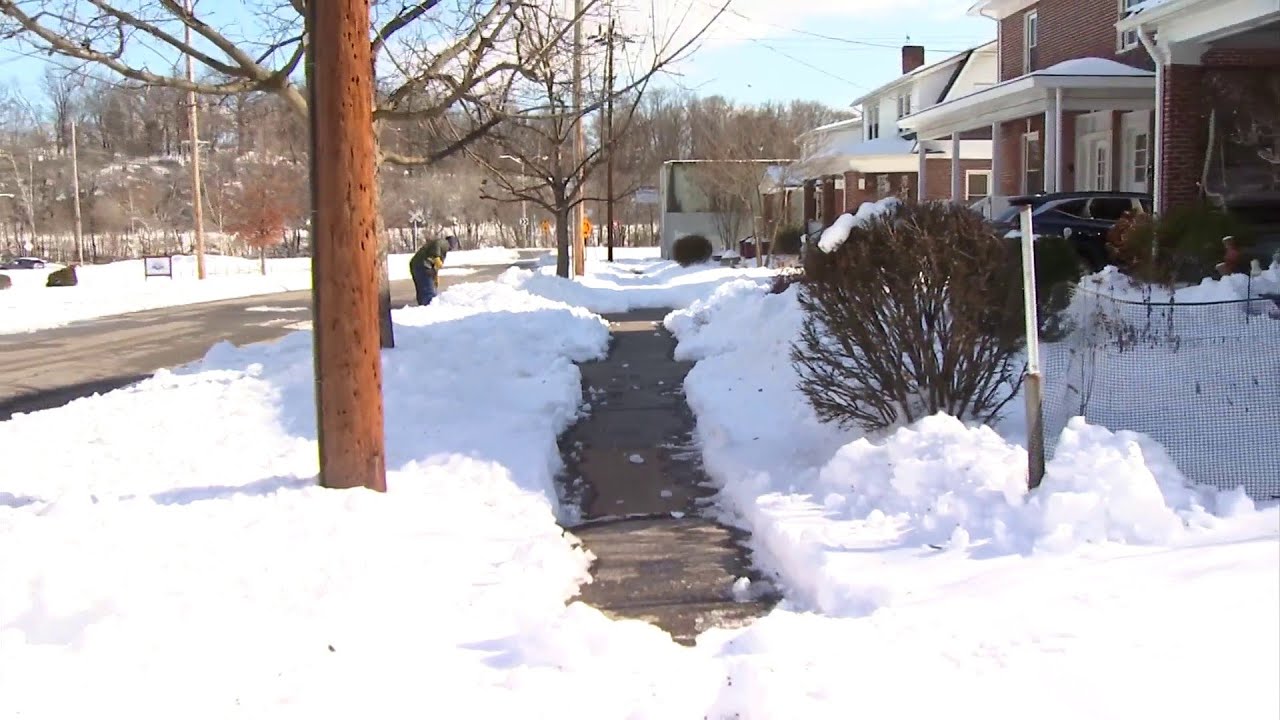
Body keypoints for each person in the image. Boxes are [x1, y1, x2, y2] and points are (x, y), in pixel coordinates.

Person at [409, 235, 451, 305]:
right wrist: (436, 256)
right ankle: (429, 307)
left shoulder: (436, 249)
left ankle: (423, 306)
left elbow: (435, 266)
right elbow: (437, 244)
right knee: (429, 293)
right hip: (423, 265)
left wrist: (435, 277)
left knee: (422, 290)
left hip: (416, 265)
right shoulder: (444, 243)